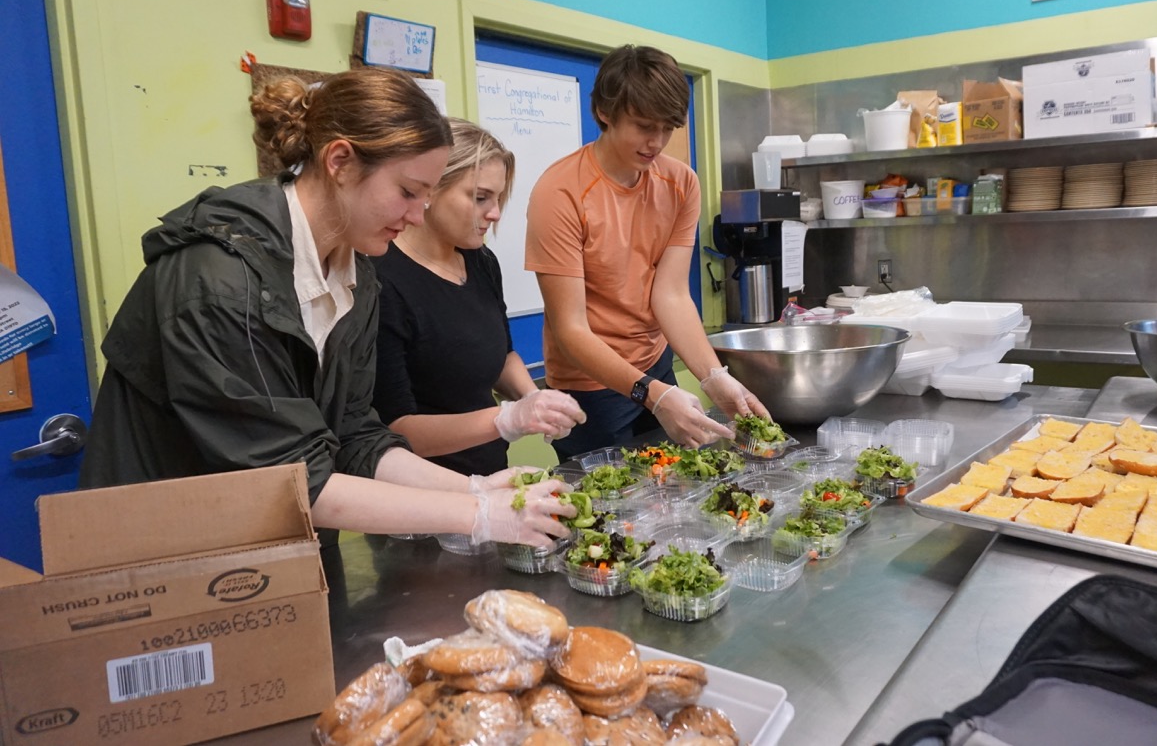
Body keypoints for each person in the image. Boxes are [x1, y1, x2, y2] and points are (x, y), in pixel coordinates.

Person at [79, 67, 572, 548]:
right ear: (340, 162)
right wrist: (479, 515)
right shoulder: (219, 280)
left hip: (276, 538)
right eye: (407, 192)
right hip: (167, 544)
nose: (418, 214)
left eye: (426, 196)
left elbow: (357, 436)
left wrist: (477, 488)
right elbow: (288, 477)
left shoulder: (354, 274)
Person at [525, 44, 769, 462]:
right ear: (604, 111)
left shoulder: (680, 183)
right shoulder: (560, 192)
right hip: (589, 387)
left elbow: (670, 294)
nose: (656, 143)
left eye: (667, 129)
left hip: (656, 368)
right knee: (605, 513)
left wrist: (713, 378)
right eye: (643, 127)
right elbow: (571, 329)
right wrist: (653, 397)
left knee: (669, 498)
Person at [372, 119, 585, 476]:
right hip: (421, 491)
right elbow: (397, 430)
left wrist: (530, 397)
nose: (495, 213)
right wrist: (505, 419)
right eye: (480, 197)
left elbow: (499, 354)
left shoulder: (480, 260)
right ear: (430, 189)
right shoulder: (382, 280)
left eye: (499, 198)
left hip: (488, 470)